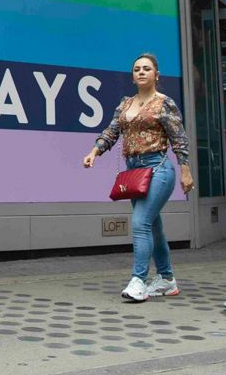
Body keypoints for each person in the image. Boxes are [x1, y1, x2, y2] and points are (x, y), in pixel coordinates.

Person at [83, 53, 194, 302]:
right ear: (133, 76)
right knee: (153, 226)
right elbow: (112, 131)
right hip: (135, 172)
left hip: (159, 168)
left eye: (146, 69)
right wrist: (95, 151)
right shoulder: (125, 104)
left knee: (140, 222)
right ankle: (166, 279)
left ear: (156, 75)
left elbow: (179, 138)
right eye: (137, 69)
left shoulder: (165, 103)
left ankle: (138, 281)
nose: (141, 72)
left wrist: (185, 170)